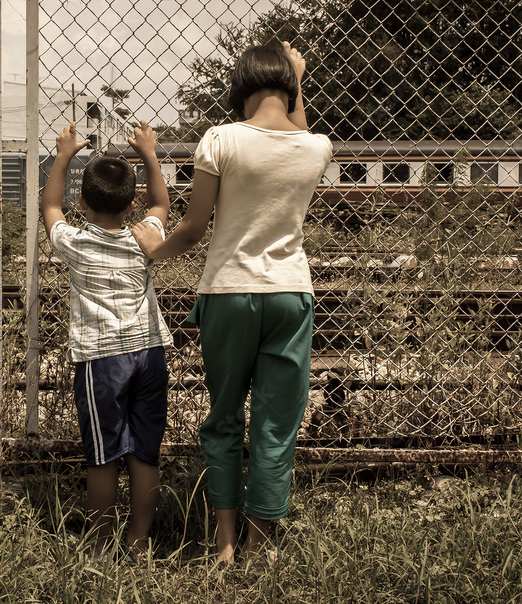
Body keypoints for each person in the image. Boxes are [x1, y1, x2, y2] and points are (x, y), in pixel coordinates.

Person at [131, 41, 333, 563]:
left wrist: (155, 249)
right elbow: (296, 132)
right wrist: (297, 77)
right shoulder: (317, 147)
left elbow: (194, 227)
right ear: (290, 90)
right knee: (276, 423)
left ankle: (223, 542)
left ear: (240, 87)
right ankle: (258, 542)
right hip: (289, 293)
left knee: (223, 417)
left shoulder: (221, 139)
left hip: (228, 293)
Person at [41, 120, 173, 559]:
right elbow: (161, 202)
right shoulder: (145, 239)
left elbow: (50, 207)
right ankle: (139, 542)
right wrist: (149, 152)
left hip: (102, 361)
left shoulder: (75, 243)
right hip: (150, 353)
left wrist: (63, 155)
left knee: (103, 454)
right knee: (144, 452)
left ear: (83, 202)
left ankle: (99, 545)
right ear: (132, 203)